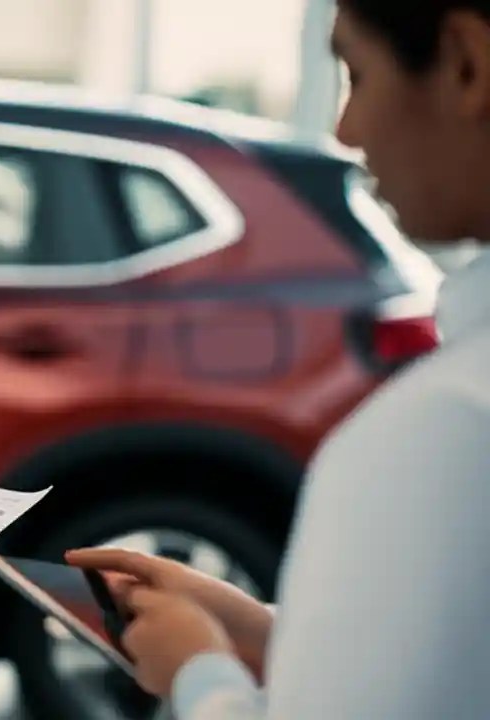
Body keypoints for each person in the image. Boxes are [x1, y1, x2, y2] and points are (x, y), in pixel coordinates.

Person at [67, 2, 490, 717]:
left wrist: (196, 671)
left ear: (466, 64)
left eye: (357, 72)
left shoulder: (447, 425)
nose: (345, 129)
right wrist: (272, 631)